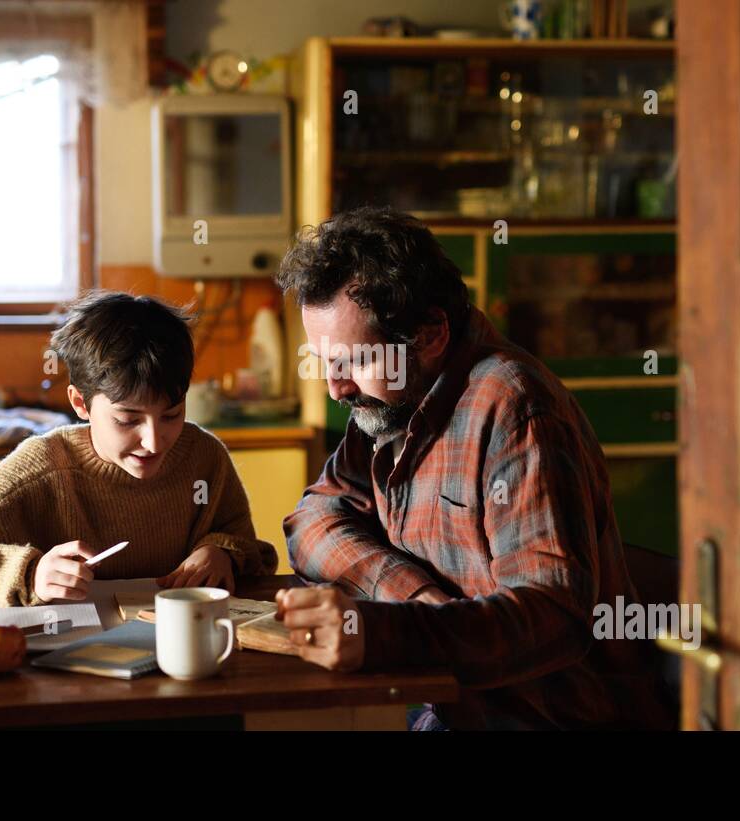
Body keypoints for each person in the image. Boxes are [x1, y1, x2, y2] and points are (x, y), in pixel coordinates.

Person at [273, 206, 672, 730]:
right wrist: (413, 596)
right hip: (452, 705)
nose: (337, 388)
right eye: (326, 362)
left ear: (432, 332)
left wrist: (389, 633)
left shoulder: (515, 408)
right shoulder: (391, 399)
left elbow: (555, 617)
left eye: (356, 360)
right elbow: (313, 520)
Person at [0, 290, 277, 607]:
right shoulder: (43, 469)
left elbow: (246, 546)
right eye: (127, 420)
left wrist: (222, 553)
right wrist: (27, 575)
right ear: (80, 404)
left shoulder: (204, 457)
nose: (154, 442)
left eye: (171, 415)